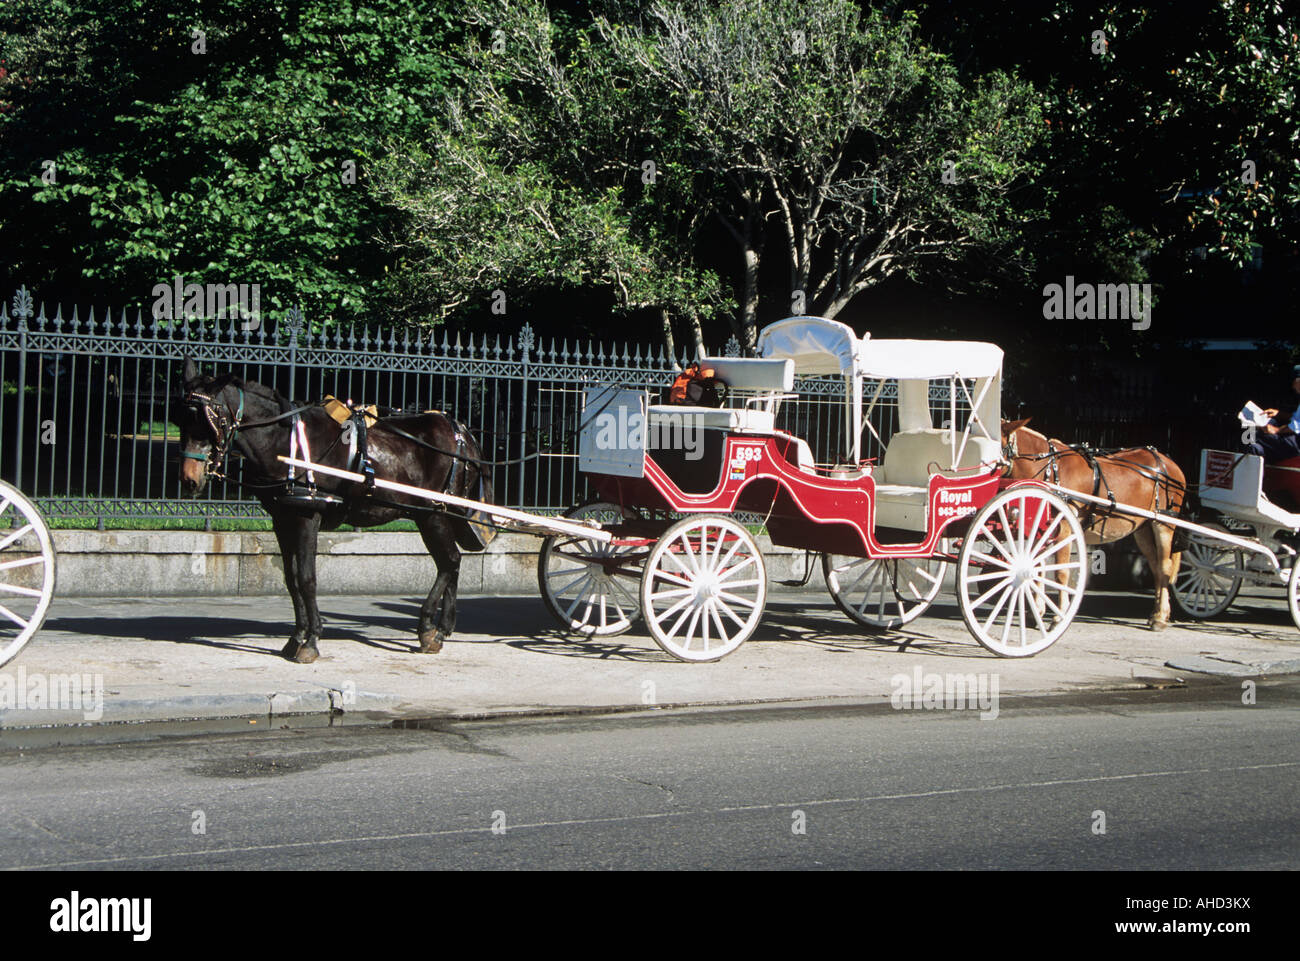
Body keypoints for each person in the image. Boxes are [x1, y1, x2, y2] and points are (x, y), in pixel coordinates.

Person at [1246, 365, 1300, 462]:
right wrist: (1278, 414)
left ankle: (1262, 464)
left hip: (1297, 444)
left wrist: (1276, 430)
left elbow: (1297, 426)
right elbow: (1297, 418)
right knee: (1271, 422)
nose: (1292, 386)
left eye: (1293, 382)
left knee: (1257, 435)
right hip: (1295, 439)